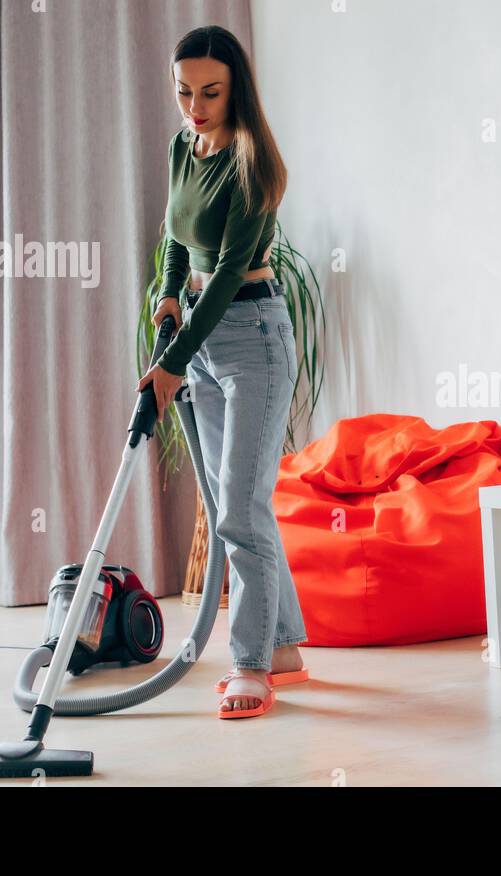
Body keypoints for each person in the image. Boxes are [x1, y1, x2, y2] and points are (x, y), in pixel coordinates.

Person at [138, 25, 306, 719]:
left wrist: (171, 363)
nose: (195, 107)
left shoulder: (252, 162)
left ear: (235, 87)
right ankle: (288, 646)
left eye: (209, 92)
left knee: (239, 508)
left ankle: (252, 666)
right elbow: (177, 233)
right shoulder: (186, 143)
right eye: (183, 92)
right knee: (238, 506)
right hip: (201, 333)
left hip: (253, 336)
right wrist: (171, 292)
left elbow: (233, 268)